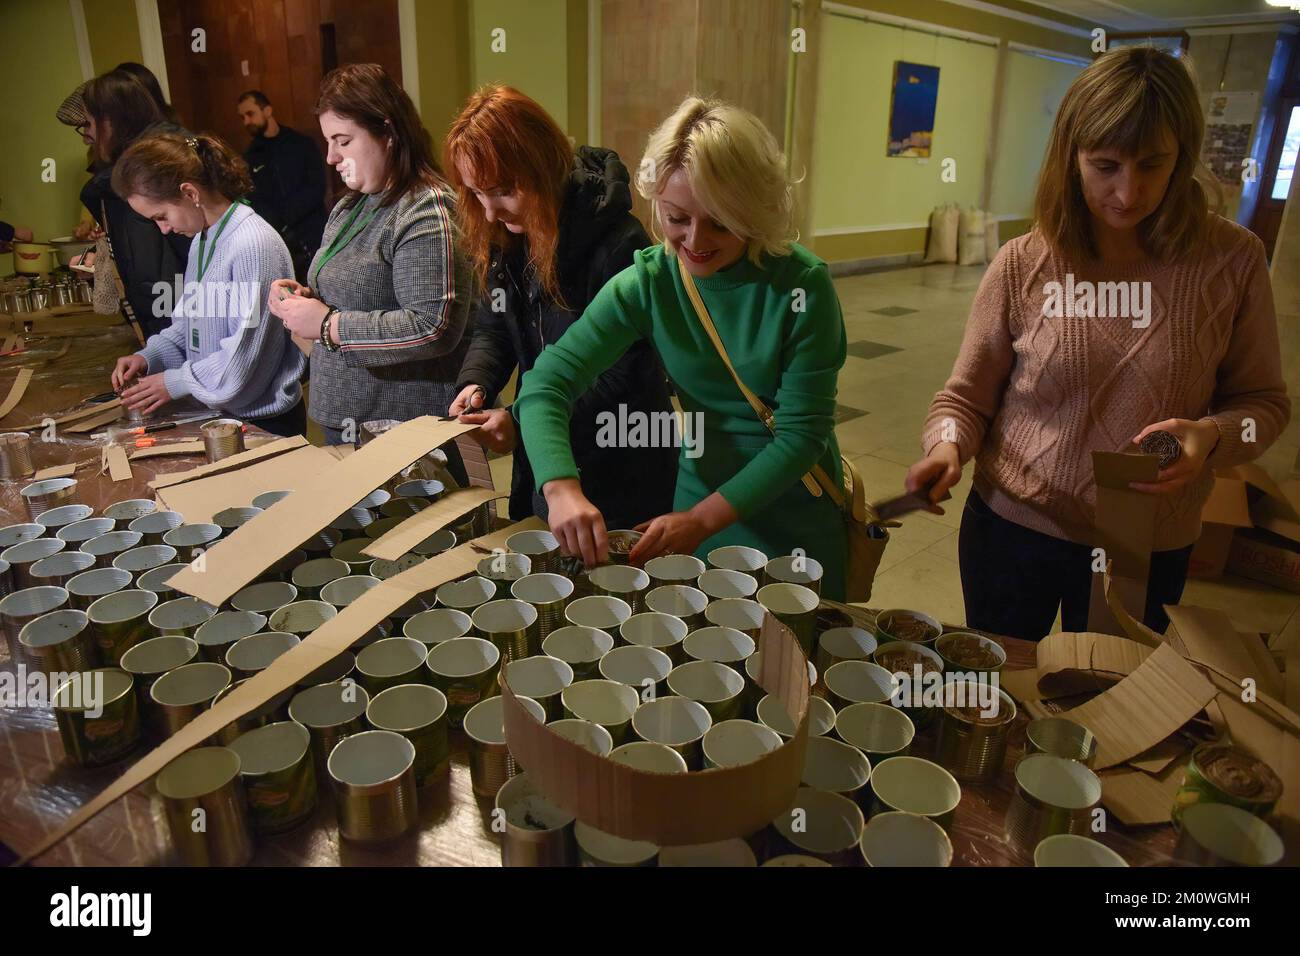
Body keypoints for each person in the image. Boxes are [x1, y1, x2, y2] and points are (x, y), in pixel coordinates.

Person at [905, 46, 1291, 641]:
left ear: (1184, 158)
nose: (1128, 192)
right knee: (1001, 694)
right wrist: (947, 447)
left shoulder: (1233, 262)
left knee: (1113, 708)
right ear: (1070, 157)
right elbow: (964, 400)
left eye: (1153, 165)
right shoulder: (1023, 264)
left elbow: (1263, 406)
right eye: (1105, 165)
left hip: (1146, 542)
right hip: (1013, 529)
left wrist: (1212, 438)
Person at [514, 96, 849, 599]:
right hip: (696, 496)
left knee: (794, 658)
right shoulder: (649, 282)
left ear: (755, 209)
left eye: (720, 221)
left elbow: (801, 438)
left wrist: (700, 520)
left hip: (791, 507)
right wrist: (560, 488)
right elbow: (546, 383)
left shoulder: (802, 286)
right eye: (676, 219)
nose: (695, 241)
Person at [444, 85, 676, 529]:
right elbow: (493, 328)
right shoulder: (507, 236)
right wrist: (476, 383)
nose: (489, 212)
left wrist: (520, 418)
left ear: (543, 167)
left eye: (503, 191)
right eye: (476, 194)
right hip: (547, 446)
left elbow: (622, 372)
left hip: (621, 449)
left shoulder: (617, 243)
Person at [268, 64, 471, 446]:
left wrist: (329, 324)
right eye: (328, 141)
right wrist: (302, 301)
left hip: (404, 430)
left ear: (388, 134)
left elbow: (432, 327)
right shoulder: (351, 207)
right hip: (346, 418)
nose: (330, 156)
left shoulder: (427, 208)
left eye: (343, 141)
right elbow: (347, 298)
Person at [108, 130, 306, 437]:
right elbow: (191, 325)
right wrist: (150, 357)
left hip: (264, 424)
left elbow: (243, 357)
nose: (164, 229)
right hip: (223, 413)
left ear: (190, 193)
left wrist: (175, 382)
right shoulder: (204, 239)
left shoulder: (252, 244)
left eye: (162, 216)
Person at [67, 69, 190, 336]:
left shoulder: (151, 171)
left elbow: (165, 276)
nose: (85, 135)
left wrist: (169, 344)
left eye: (88, 124)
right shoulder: (130, 172)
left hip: (179, 326)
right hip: (169, 325)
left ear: (111, 121)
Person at [238, 89, 327, 284]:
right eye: (242, 117)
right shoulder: (250, 158)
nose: (246, 121)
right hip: (280, 241)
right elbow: (254, 198)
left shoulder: (300, 144)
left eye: (250, 114)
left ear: (267, 110)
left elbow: (317, 186)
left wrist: (288, 215)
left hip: (313, 234)